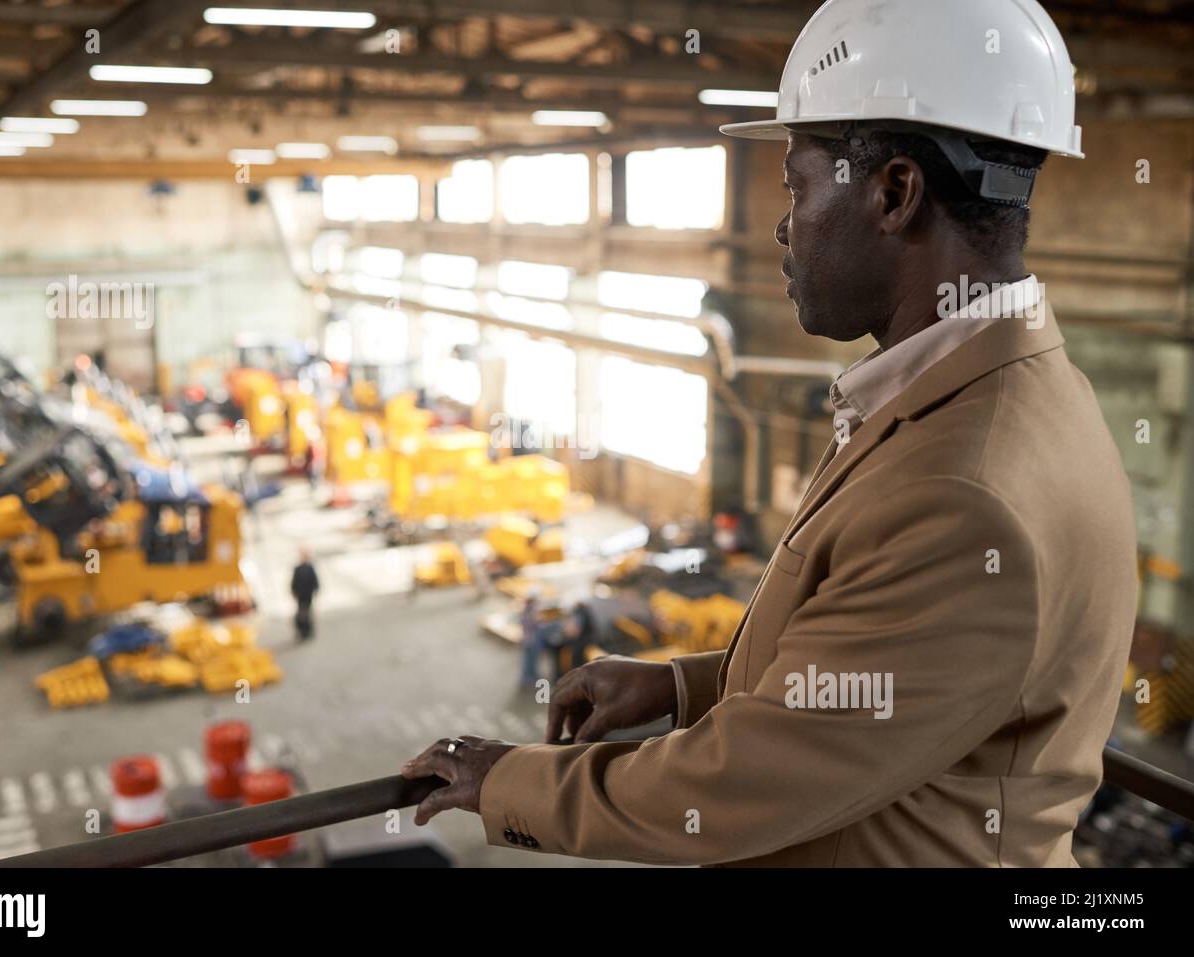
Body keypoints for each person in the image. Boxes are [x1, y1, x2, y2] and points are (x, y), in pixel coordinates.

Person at [401, 0, 1137, 867]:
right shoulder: (1011, 394)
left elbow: (734, 785)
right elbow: (885, 681)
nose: (785, 224)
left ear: (894, 193)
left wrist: (507, 782)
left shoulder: (964, 490)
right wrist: (684, 684)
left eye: (798, 183)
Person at [289, 548, 320, 642]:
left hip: (308, 594)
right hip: (300, 595)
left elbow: (315, 580)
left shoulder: (310, 568)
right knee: (301, 613)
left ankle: (308, 631)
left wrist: (316, 589)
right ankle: (301, 631)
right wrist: (293, 591)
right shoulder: (297, 569)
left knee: (307, 613)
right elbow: (294, 582)